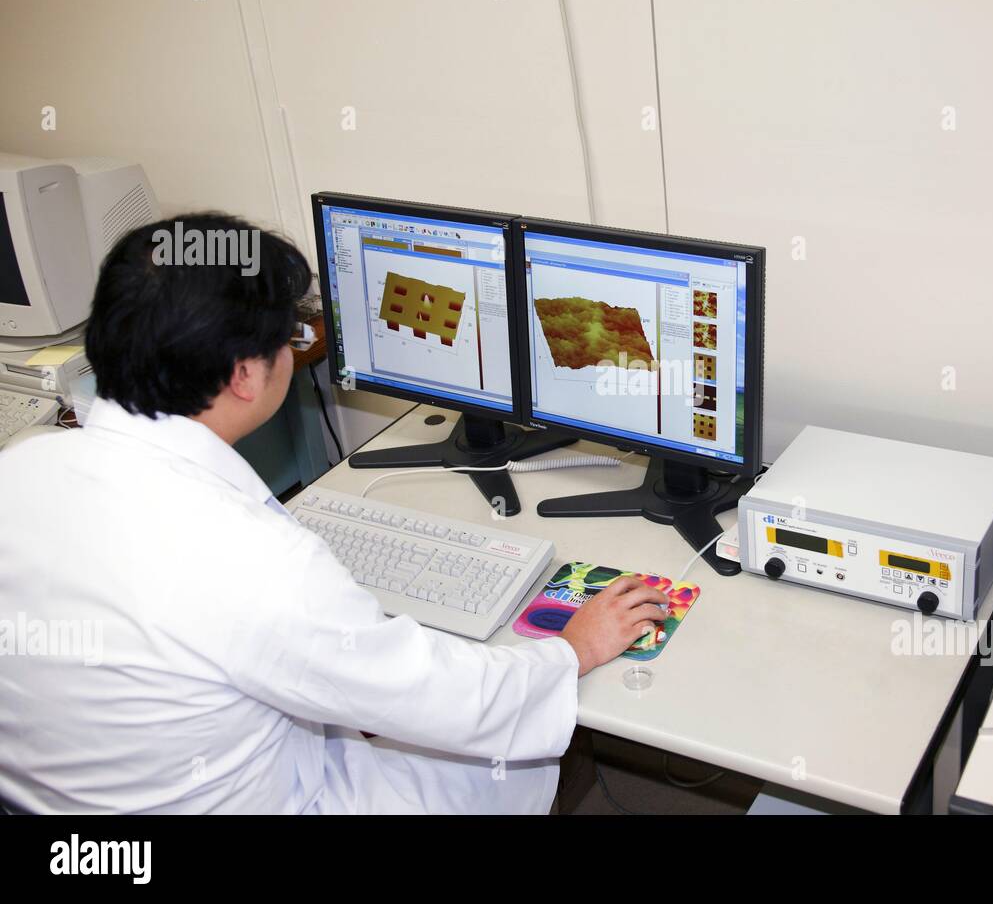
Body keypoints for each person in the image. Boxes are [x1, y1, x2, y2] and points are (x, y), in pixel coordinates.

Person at [0, 214, 666, 813]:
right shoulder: (251, 563)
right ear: (243, 376)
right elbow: (437, 694)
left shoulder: (23, 465)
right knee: (502, 765)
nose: (296, 349)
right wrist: (568, 652)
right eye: (290, 336)